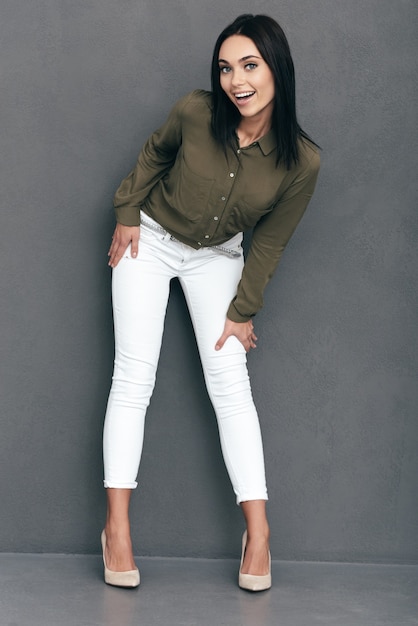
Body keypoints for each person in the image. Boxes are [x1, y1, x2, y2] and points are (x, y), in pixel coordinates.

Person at [101, 13, 320, 591]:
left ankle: (260, 534)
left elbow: (269, 243)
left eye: (250, 65)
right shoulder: (196, 110)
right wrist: (127, 212)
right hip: (151, 241)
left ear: (278, 69)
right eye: (226, 67)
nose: (235, 81)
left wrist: (242, 309)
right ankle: (116, 528)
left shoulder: (301, 162)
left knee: (230, 384)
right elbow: (153, 154)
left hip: (218, 258)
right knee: (133, 377)